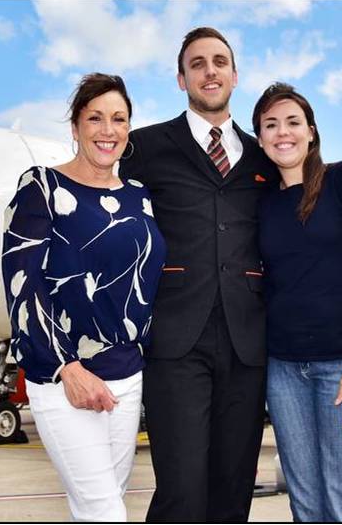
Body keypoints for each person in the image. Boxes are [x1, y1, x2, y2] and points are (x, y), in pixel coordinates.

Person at [119, 27, 277, 522]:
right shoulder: (143, 147)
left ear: (234, 74)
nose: (210, 71)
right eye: (198, 64)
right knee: (182, 490)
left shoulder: (263, 155)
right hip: (175, 337)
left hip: (246, 340)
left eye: (219, 62)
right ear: (181, 79)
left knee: (232, 490)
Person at [1, 73, 166, 521]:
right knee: (105, 513)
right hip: (64, 377)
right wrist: (66, 368)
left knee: (99, 504)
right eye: (95, 118)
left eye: (118, 119)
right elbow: (23, 287)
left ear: (129, 129)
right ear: (75, 127)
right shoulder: (41, 188)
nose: (107, 130)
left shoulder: (139, 198)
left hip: (127, 376)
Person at [252, 82, 342, 522]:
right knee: (307, 506)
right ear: (259, 139)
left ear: (311, 131)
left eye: (293, 122)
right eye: (270, 125)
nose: (283, 133)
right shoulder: (264, 206)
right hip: (286, 370)